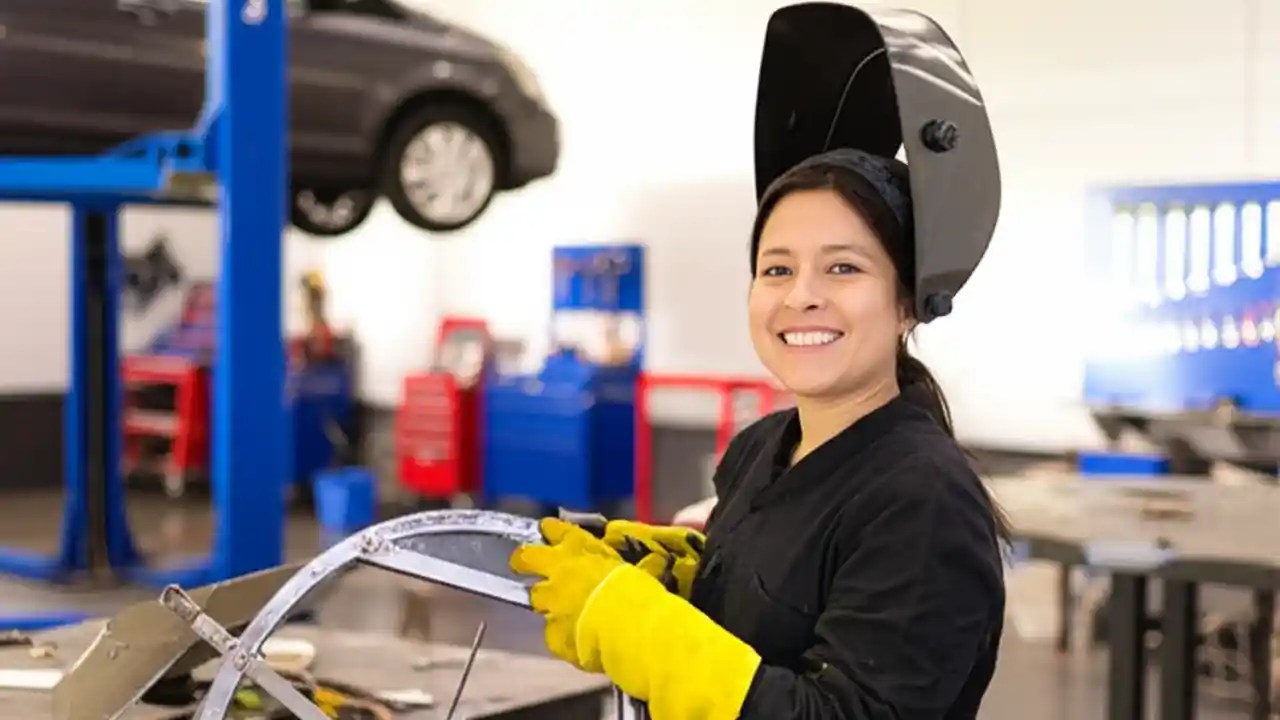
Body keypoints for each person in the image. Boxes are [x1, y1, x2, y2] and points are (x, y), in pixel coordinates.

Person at [509, 4, 1010, 718]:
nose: (801, 297)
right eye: (776, 270)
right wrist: (688, 579)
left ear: (907, 304)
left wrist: (635, 627)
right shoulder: (758, 452)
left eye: (842, 269)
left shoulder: (923, 502)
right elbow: (767, 625)